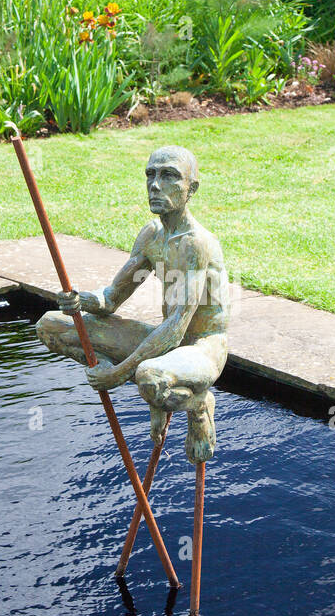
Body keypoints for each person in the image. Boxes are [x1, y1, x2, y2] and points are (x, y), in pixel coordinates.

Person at [37, 145, 229, 464]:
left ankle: (197, 405)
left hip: (201, 347)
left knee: (148, 375)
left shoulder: (197, 243)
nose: (155, 184)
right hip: (167, 342)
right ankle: (149, 389)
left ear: (191, 188)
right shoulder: (152, 236)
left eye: (168, 176)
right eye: (150, 175)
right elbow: (111, 298)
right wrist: (79, 299)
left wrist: (118, 373)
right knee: (50, 326)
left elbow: (177, 326)